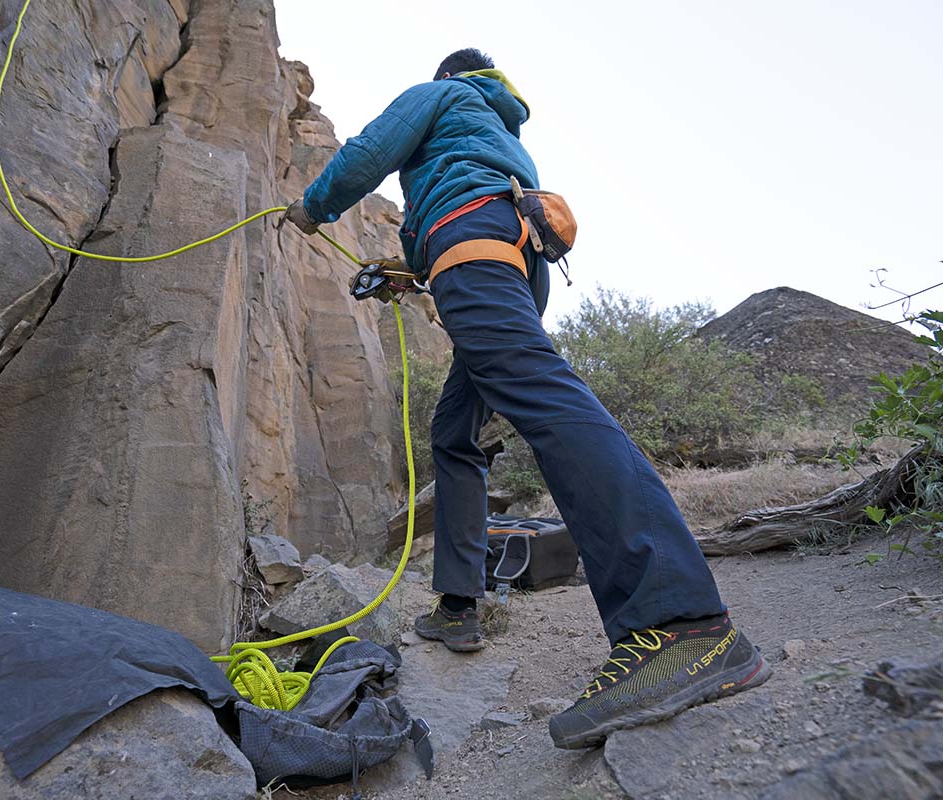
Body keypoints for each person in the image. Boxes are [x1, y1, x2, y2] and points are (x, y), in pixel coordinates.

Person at [281, 49, 771, 750]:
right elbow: (469, 215)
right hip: (501, 258)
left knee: (546, 401)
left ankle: (680, 623)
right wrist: (405, 271)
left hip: (474, 250)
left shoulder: (442, 97)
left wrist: (314, 206)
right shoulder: (501, 136)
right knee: (456, 432)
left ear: (451, 76)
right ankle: (457, 604)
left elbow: (372, 149)